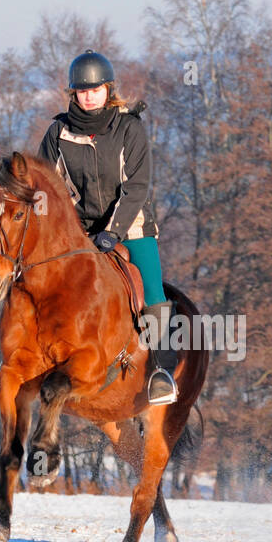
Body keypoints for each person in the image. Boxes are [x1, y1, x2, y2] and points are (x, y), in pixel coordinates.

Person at [37, 49, 178, 405]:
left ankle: (161, 372)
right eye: (82, 91)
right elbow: (47, 186)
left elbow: (136, 187)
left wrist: (112, 232)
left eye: (96, 89)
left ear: (108, 89)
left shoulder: (129, 127)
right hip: (79, 232)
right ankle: (20, 357)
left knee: (152, 294)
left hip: (131, 226)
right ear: (73, 94)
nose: (89, 96)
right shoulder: (58, 133)